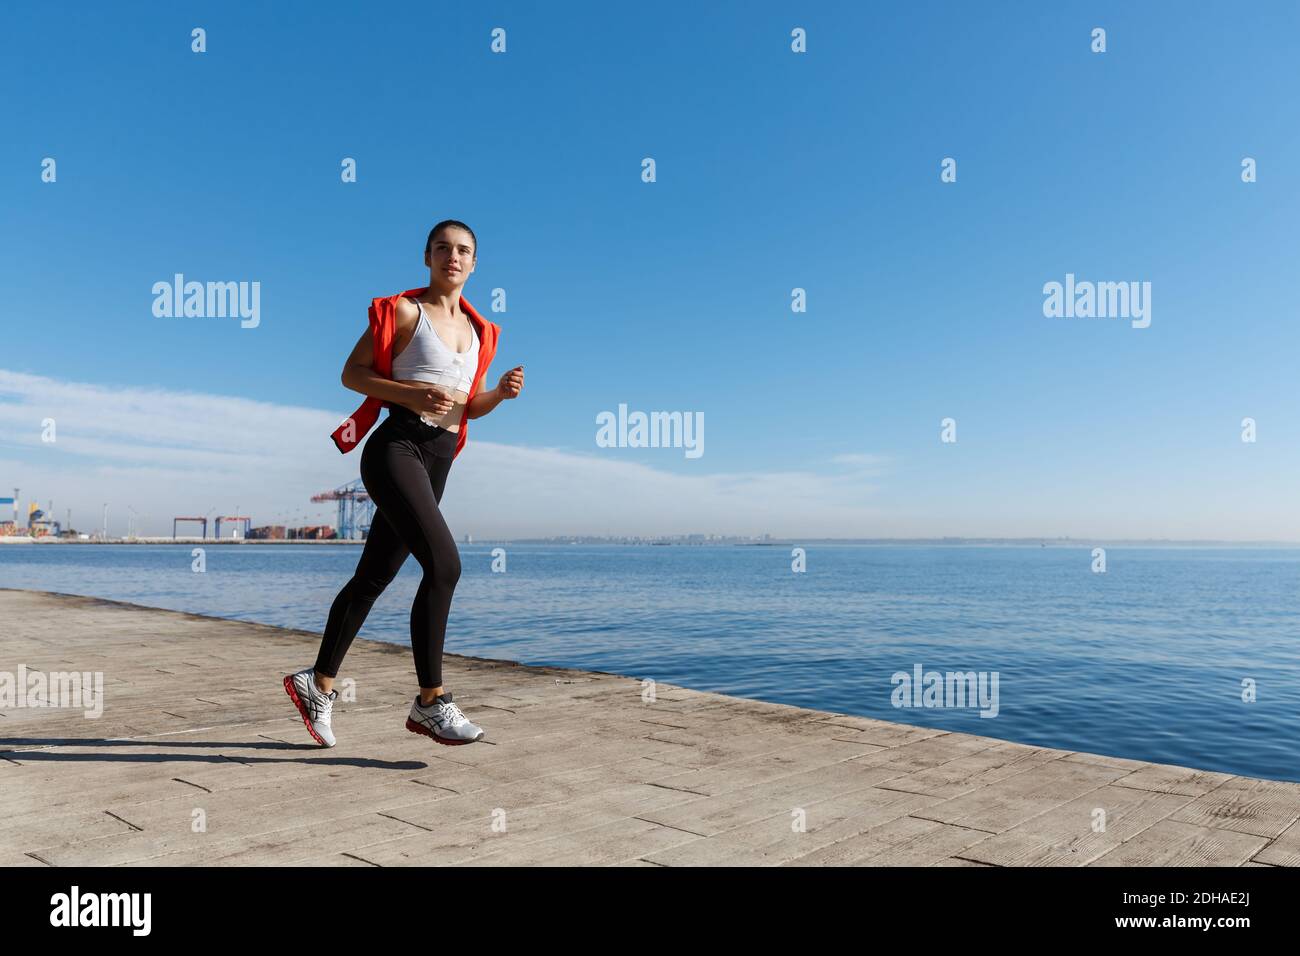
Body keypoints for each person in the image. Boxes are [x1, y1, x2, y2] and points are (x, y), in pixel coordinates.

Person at [283, 219, 524, 747]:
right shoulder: (405, 313)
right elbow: (352, 373)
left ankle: (317, 683)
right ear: (427, 257)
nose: (452, 258)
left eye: (463, 251)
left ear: (474, 263)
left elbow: (467, 408)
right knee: (445, 564)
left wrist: (499, 395)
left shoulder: (480, 332)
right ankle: (431, 702)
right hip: (396, 448)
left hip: (439, 458)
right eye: (443, 249)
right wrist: (411, 396)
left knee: (373, 576)